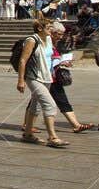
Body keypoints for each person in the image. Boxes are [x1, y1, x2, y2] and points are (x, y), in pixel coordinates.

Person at [15, 18, 69, 148]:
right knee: (50, 105)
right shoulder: (32, 40)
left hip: (47, 76)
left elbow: (49, 56)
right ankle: (52, 137)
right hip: (34, 77)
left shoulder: (49, 39)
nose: (51, 29)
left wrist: (61, 61)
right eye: (48, 27)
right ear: (40, 28)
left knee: (36, 105)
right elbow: (23, 60)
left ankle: (27, 134)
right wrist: (21, 80)